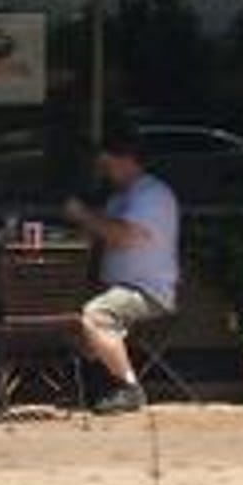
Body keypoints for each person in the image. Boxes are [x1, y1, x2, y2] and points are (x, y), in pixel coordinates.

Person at [60, 125, 178, 416]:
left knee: (95, 315)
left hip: (146, 291)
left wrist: (83, 214)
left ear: (126, 160)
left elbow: (124, 237)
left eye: (107, 165)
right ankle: (97, 386)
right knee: (65, 314)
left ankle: (129, 388)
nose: (104, 173)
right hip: (116, 287)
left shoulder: (151, 195)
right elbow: (100, 234)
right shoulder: (118, 198)